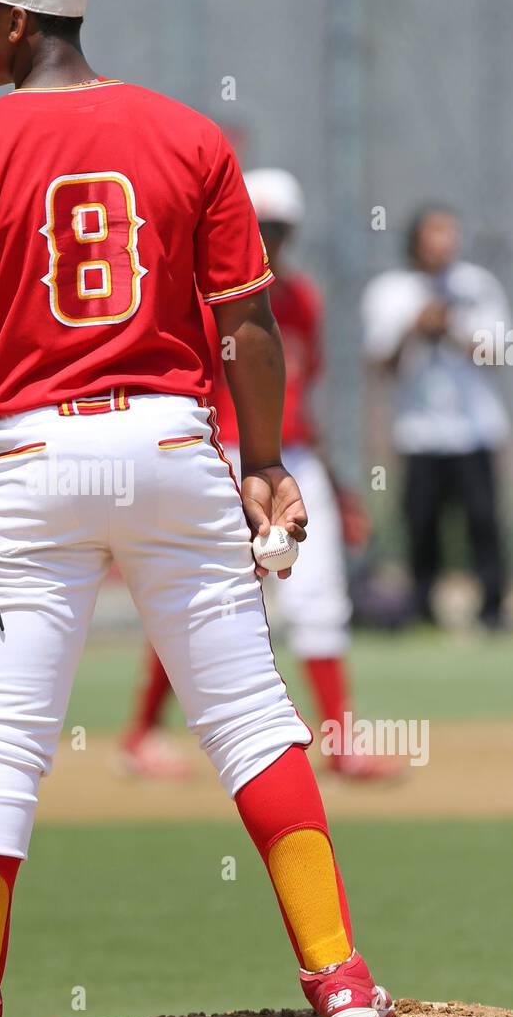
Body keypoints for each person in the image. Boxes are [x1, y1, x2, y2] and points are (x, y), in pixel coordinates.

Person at [0, 0, 394, 1017]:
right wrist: (262, 460)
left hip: (36, 460)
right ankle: (340, 976)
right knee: (248, 716)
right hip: (169, 444)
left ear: (16, 22)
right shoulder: (189, 134)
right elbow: (245, 324)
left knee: (3, 738)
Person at [123, 169, 397, 781]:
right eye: (258, 226)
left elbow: (298, 396)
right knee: (200, 596)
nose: (268, 238)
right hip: (219, 454)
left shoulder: (301, 299)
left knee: (319, 597)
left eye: (278, 228)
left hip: (291, 459)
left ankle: (341, 743)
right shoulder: (201, 297)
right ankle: (140, 735)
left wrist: (332, 479)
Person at [362, 206, 509, 629]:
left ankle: (491, 608)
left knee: (482, 518)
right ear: (416, 240)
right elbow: (379, 363)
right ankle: (422, 605)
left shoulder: (478, 285)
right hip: (418, 430)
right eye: (436, 232)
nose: (445, 242)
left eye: (450, 232)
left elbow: (499, 353)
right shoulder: (390, 291)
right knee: (420, 520)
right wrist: (415, 329)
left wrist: (453, 330)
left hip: (475, 428)